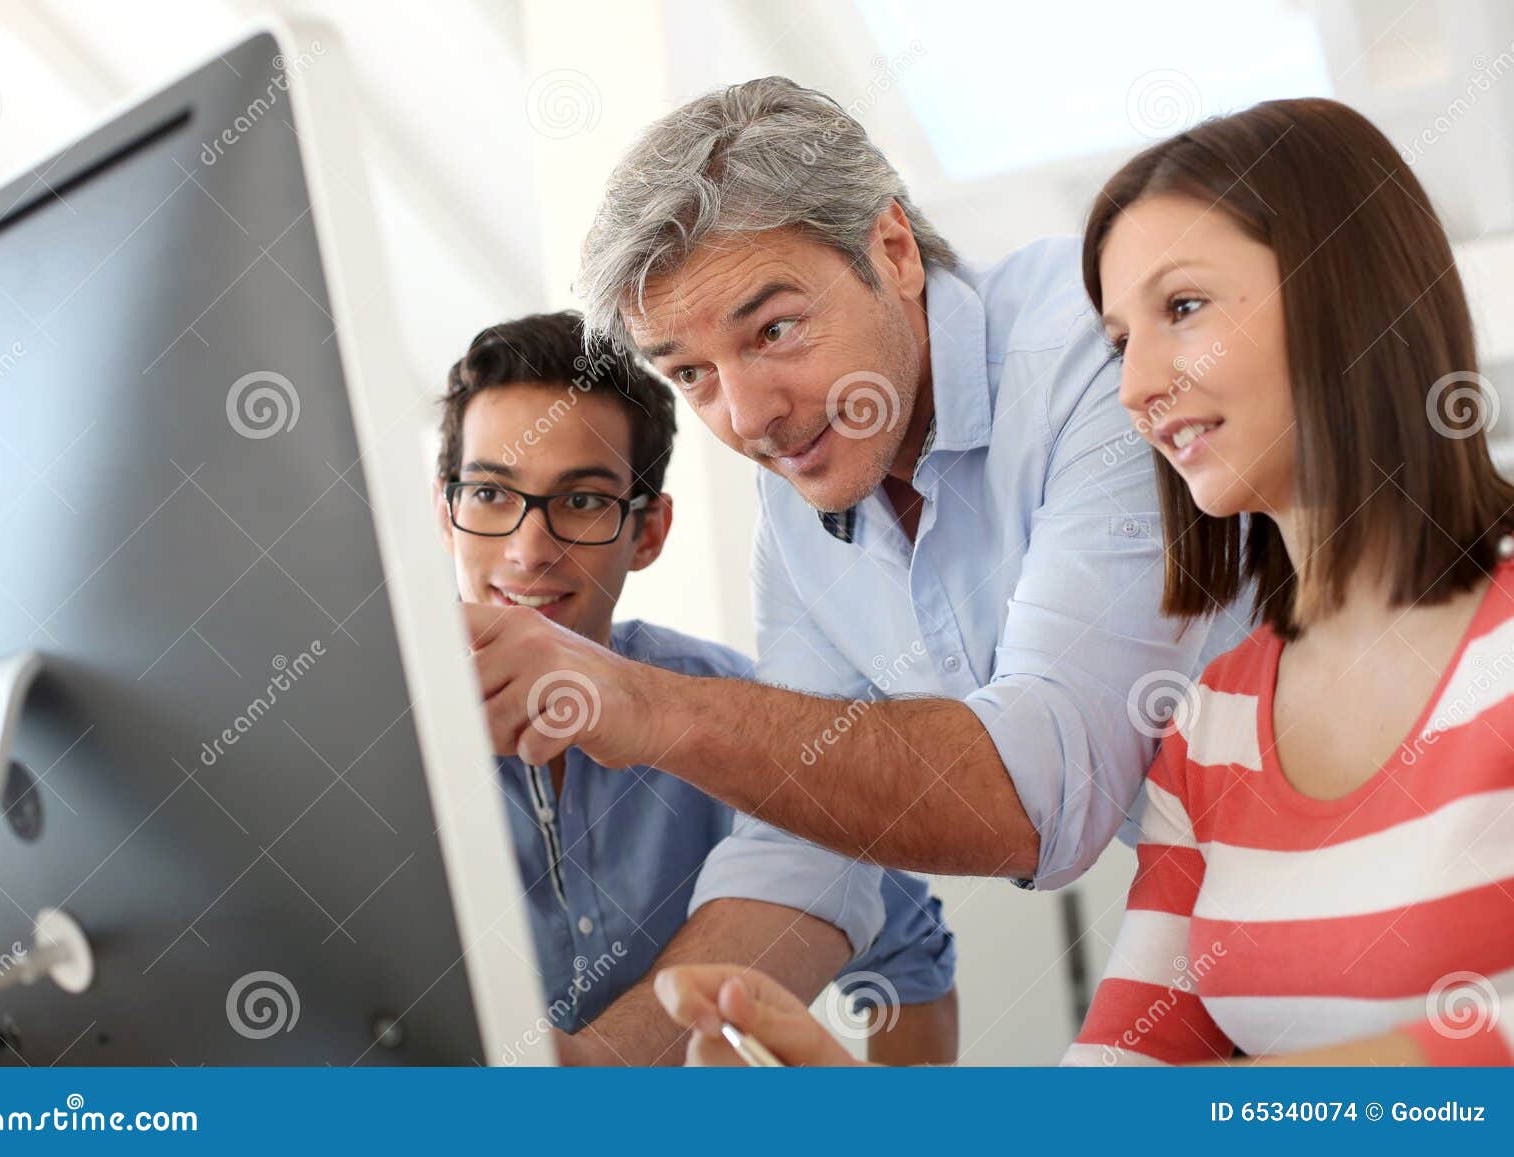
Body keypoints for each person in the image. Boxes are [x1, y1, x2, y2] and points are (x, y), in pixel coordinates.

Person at [654, 97, 1514, 1067]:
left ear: (1346, 291)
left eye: (1182, 309)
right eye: (1116, 342)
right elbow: (1111, 1090)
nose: (1134, 386)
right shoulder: (1211, 726)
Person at [460, 76, 1246, 1030]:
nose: (748, 417)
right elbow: (803, 852)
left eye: (776, 329)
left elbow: (1042, 797)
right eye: (693, 374)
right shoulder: (798, 509)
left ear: (893, 249)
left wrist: (634, 700)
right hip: (1211, 909)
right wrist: (590, 1078)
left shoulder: (1087, 356)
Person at [436, 310, 957, 1065]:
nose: (528, 551)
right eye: (489, 494)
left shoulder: (743, 725)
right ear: (444, 515)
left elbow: (911, 954)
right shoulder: (360, 749)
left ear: (647, 533)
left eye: (581, 501)